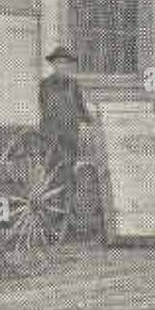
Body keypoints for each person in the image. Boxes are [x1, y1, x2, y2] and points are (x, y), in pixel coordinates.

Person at [38, 46, 92, 223]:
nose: (62, 66)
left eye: (65, 63)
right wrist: (49, 134)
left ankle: (68, 214)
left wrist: (92, 120)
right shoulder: (45, 85)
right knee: (53, 176)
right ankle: (54, 215)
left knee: (69, 175)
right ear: (53, 65)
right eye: (58, 63)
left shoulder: (74, 85)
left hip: (70, 137)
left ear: (69, 66)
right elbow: (45, 111)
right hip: (52, 138)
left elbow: (81, 110)